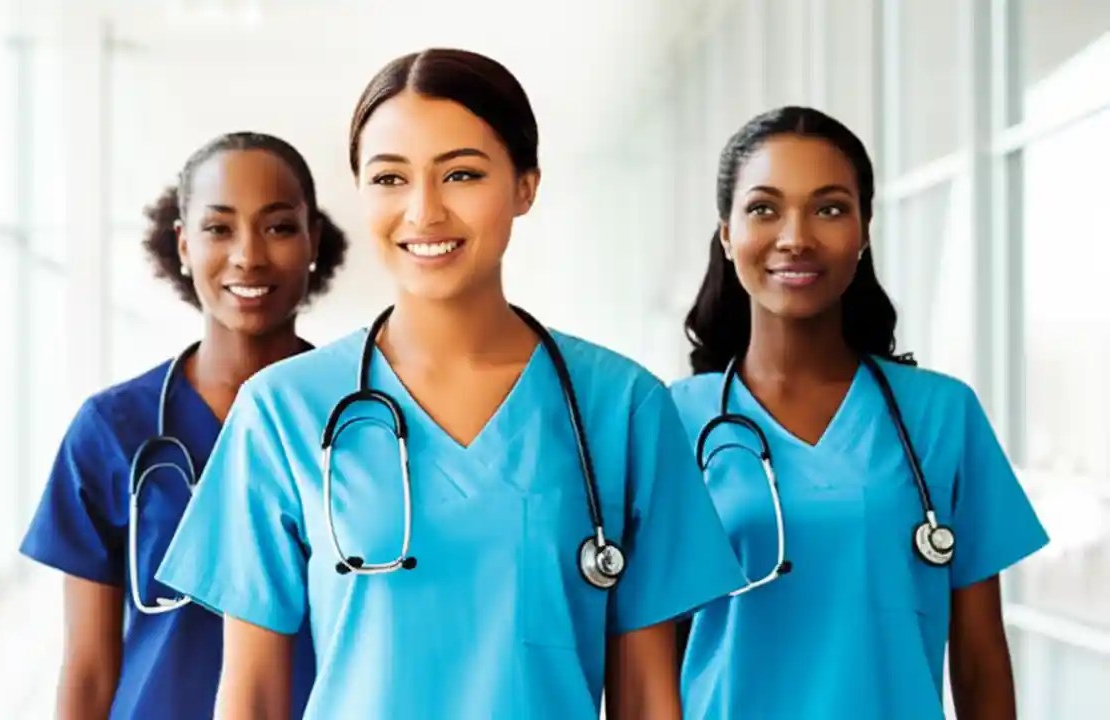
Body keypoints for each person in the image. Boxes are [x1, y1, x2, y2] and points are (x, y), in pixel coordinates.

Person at [156, 48, 744, 720]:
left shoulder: (623, 406)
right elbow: (253, 698)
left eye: (461, 174)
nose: (424, 211)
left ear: (525, 186)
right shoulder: (282, 411)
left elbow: (646, 697)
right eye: (390, 178)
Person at [671, 106, 1048, 719]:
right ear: (726, 233)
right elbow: (646, 663)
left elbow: (980, 659)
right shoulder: (672, 423)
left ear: (865, 230)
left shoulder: (942, 415)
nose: (795, 237)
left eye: (829, 209)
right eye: (764, 209)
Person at [19, 131, 347, 719]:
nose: (248, 255)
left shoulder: (364, 422)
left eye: (278, 227)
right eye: (218, 228)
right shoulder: (113, 430)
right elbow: (89, 669)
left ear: (313, 240)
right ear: (184, 244)